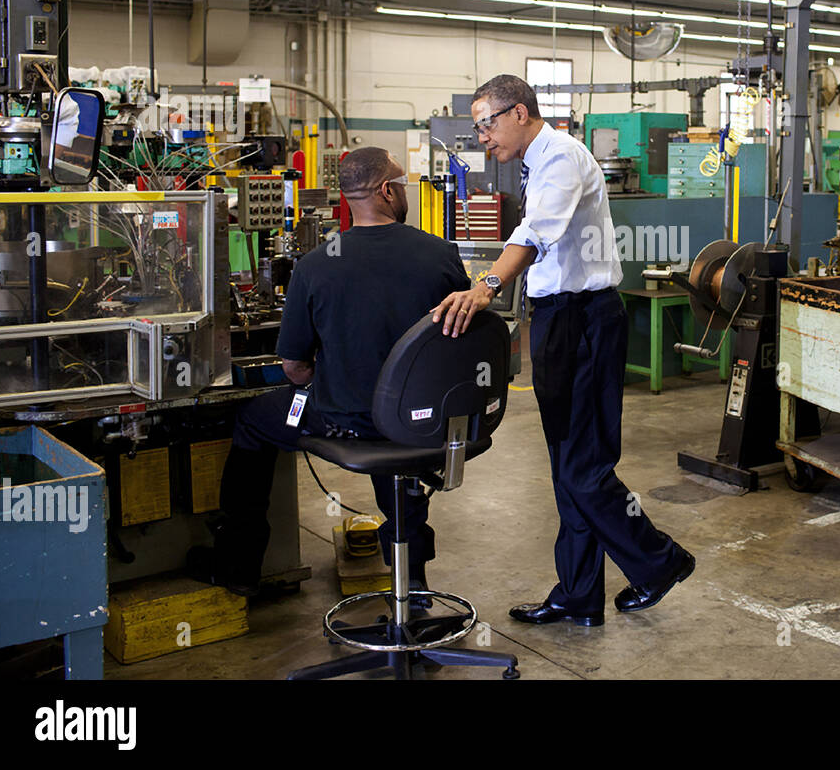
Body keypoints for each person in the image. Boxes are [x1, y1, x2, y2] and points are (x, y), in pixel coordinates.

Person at [431, 74, 694, 628]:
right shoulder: (535, 159)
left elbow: (537, 229)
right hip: (558, 319)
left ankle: (659, 560)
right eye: (477, 126)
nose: (482, 137)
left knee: (584, 466)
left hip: (585, 322)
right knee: (566, 464)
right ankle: (578, 592)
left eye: (487, 123)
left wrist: (486, 287)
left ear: (520, 112)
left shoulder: (562, 157)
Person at [189, 147, 471, 597]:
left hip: (345, 422)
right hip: (424, 420)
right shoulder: (441, 254)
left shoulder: (316, 264)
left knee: (253, 422)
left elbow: (295, 369)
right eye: (401, 183)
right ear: (386, 190)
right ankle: (411, 577)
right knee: (395, 428)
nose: (405, 191)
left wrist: (329, 375)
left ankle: (239, 565)